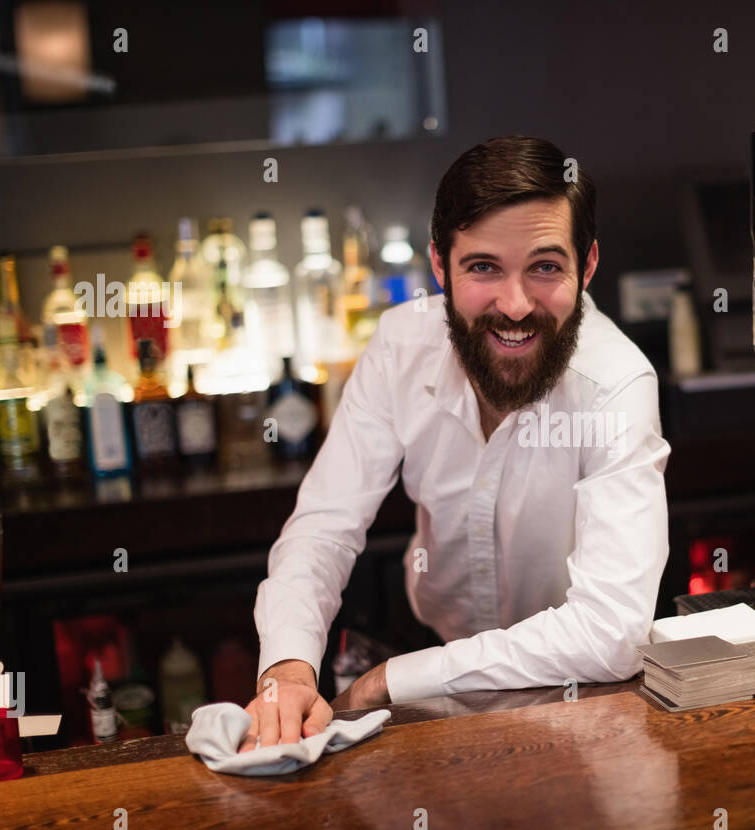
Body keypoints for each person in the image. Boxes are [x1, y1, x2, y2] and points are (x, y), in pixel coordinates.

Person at [240, 136, 670, 752]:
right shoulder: (399, 347)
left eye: (546, 266)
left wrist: (391, 679)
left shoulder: (616, 384)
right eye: (483, 267)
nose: (515, 305)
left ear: (589, 264)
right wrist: (286, 667)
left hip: (584, 699)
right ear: (440, 265)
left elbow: (610, 632)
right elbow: (325, 528)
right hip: (435, 675)